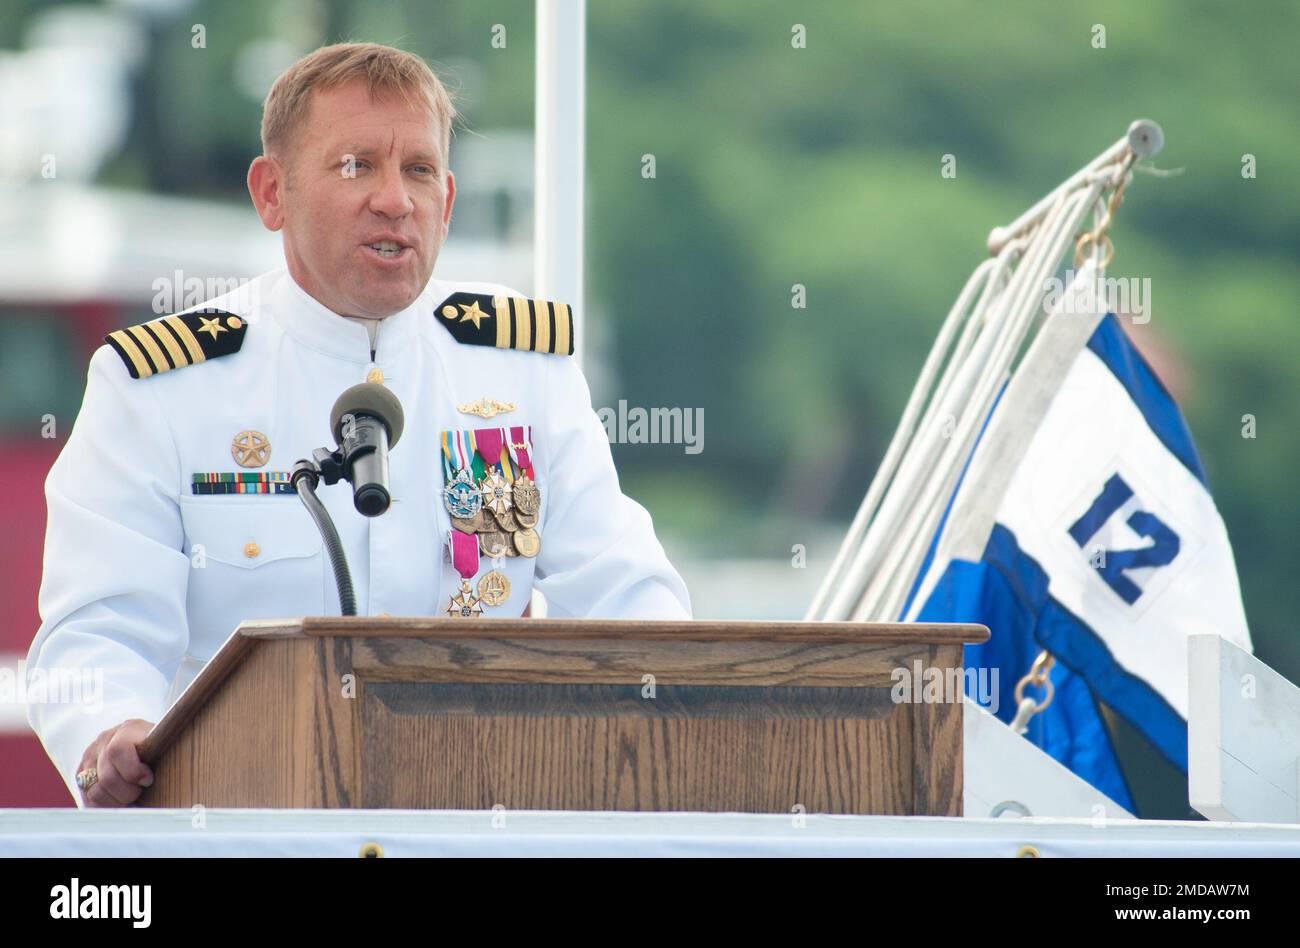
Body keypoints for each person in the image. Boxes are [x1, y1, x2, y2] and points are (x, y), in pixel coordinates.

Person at [26, 42, 691, 808]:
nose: (394, 200)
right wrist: (112, 731)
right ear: (272, 194)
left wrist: (685, 696)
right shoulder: (161, 388)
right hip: (246, 824)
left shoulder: (520, 374)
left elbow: (628, 602)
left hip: (476, 822)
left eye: (417, 171)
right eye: (356, 167)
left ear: (445, 202)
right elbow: (98, 634)